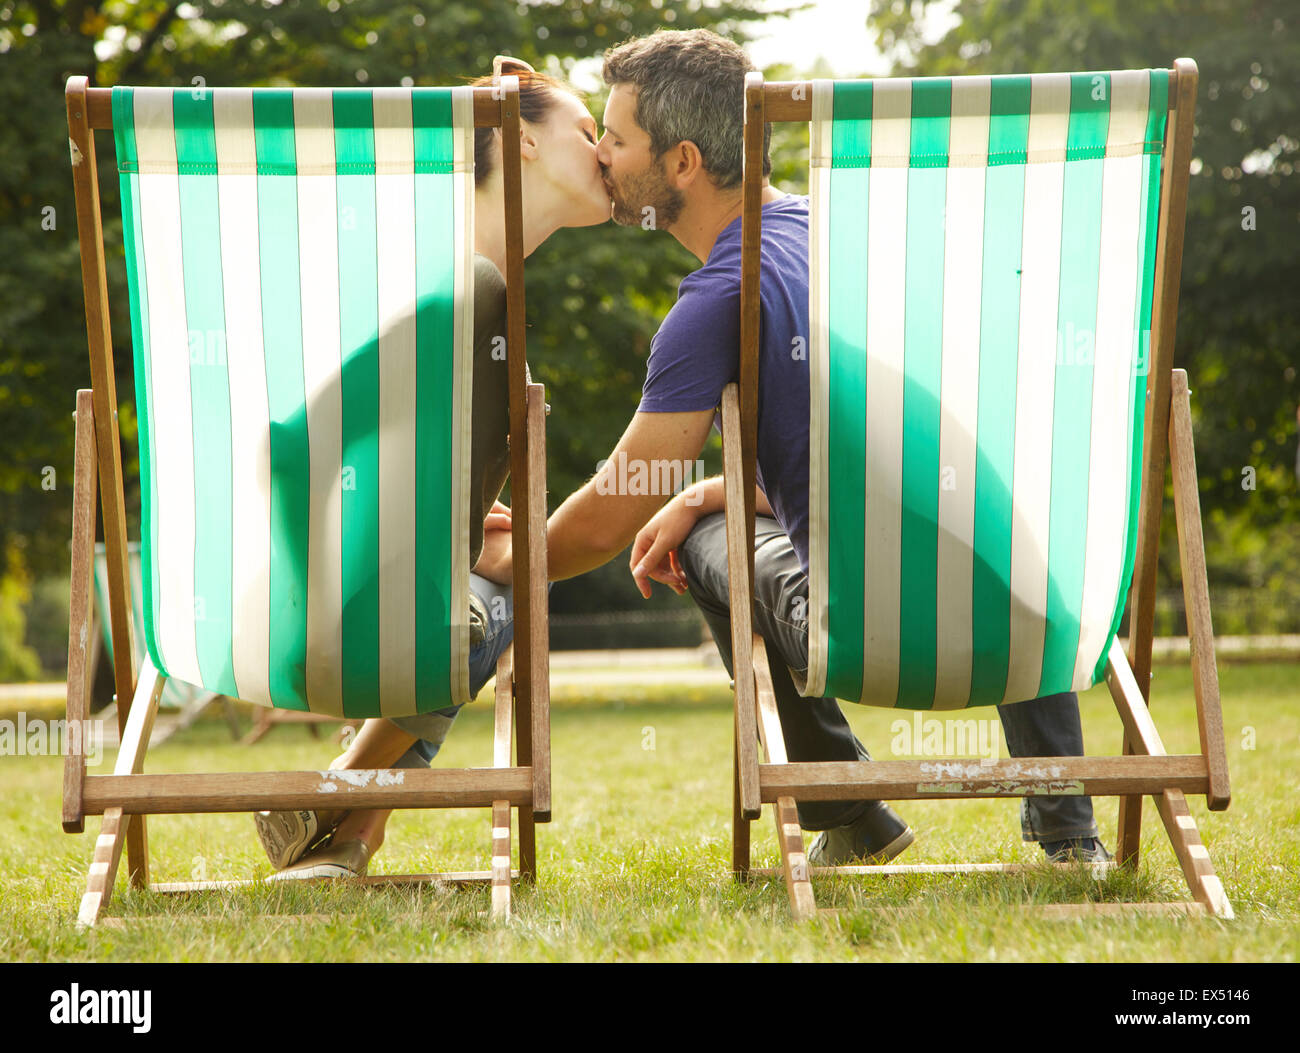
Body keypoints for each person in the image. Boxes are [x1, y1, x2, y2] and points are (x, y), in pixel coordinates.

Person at [479, 28, 1110, 866]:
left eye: (618, 137)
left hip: (864, 627)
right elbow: (897, 458)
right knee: (953, 517)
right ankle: (1069, 831)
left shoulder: (716, 303)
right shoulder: (855, 242)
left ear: (682, 163)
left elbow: (614, 512)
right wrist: (711, 488)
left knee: (705, 542)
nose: (600, 151)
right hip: (1033, 615)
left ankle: (846, 809)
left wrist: (507, 554)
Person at [256, 57, 611, 879]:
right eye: (589, 132)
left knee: (507, 565)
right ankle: (348, 793)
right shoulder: (466, 290)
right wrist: (316, 605)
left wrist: (444, 546)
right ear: (521, 141)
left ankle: (349, 829)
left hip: (385, 609)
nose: (604, 152)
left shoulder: (474, 289)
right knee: (514, 572)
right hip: (365, 622)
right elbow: (294, 442)